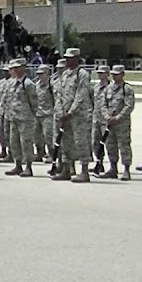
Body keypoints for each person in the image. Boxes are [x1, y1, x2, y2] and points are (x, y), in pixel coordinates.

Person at [53, 48, 93, 183]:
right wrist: (60, 112)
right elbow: (59, 94)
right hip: (65, 115)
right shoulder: (64, 74)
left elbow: (81, 95)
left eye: (70, 58)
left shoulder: (82, 74)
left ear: (77, 58)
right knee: (65, 142)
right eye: (66, 57)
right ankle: (66, 168)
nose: (67, 60)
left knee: (80, 142)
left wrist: (70, 112)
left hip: (78, 116)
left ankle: (84, 170)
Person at [97, 65, 135, 181]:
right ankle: (113, 168)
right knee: (110, 145)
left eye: (117, 74)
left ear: (122, 74)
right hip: (109, 123)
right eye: (113, 74)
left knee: (124, 145)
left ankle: (126, 169)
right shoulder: (108, 88)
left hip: (121, 123)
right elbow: (102, 104)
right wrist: (107, 116)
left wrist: (118, 117)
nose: (114, 77)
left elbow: (129, 105)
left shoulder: (126, 88)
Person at [3, 59, 39, 177]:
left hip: (25, 118)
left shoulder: (28, 84)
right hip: (14, 117)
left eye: (18, 67)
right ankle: (18, 165)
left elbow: (34, 102)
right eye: (14, 68)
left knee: (26, 143)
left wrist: (33, 116)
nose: (16, 70)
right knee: (14, 142)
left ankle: (28, 166)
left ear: (24, 68)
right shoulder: (12, 83)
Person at [34, 64, 56, 164]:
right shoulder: (37, 85)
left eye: (42, 74)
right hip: (38, 113)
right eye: (38, 74)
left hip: (48, 114)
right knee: (37, 135)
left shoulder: (51, 85)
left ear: (47, 74)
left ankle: (51, 154)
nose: (39, 76)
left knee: (48, 135)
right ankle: (40, 153)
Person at [91, 66, 111, 175]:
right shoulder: (95, 87)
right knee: (95, 143)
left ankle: (113, 166)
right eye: (99, 73)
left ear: (108, 74)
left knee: (109, 144)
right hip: (96, 119)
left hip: (106, 121)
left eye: (102, 73)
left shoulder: (111, 87)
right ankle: (99, 163)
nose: (100, 75)